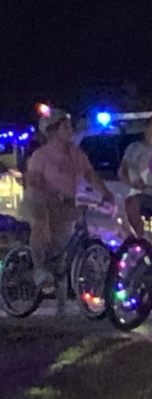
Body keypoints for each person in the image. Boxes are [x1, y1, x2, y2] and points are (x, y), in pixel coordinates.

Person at [23, 111, 113, 303]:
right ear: (55, 131)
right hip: (43, 200)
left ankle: (62, 294)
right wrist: (49, 191)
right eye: (66, 127)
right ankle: (39, 268)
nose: (70, 130)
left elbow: (90, 175)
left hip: (66, 203)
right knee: (42, 224)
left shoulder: (76, 153)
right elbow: (33, 180)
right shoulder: (42, 155)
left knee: (63, 246)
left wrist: (105, 194)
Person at [117, 114, 152, 231]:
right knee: (131, 204)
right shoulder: (135, 148)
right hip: (146, 193)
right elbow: (124, 170)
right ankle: (141, 238)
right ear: (146, 129)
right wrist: (134, 182)